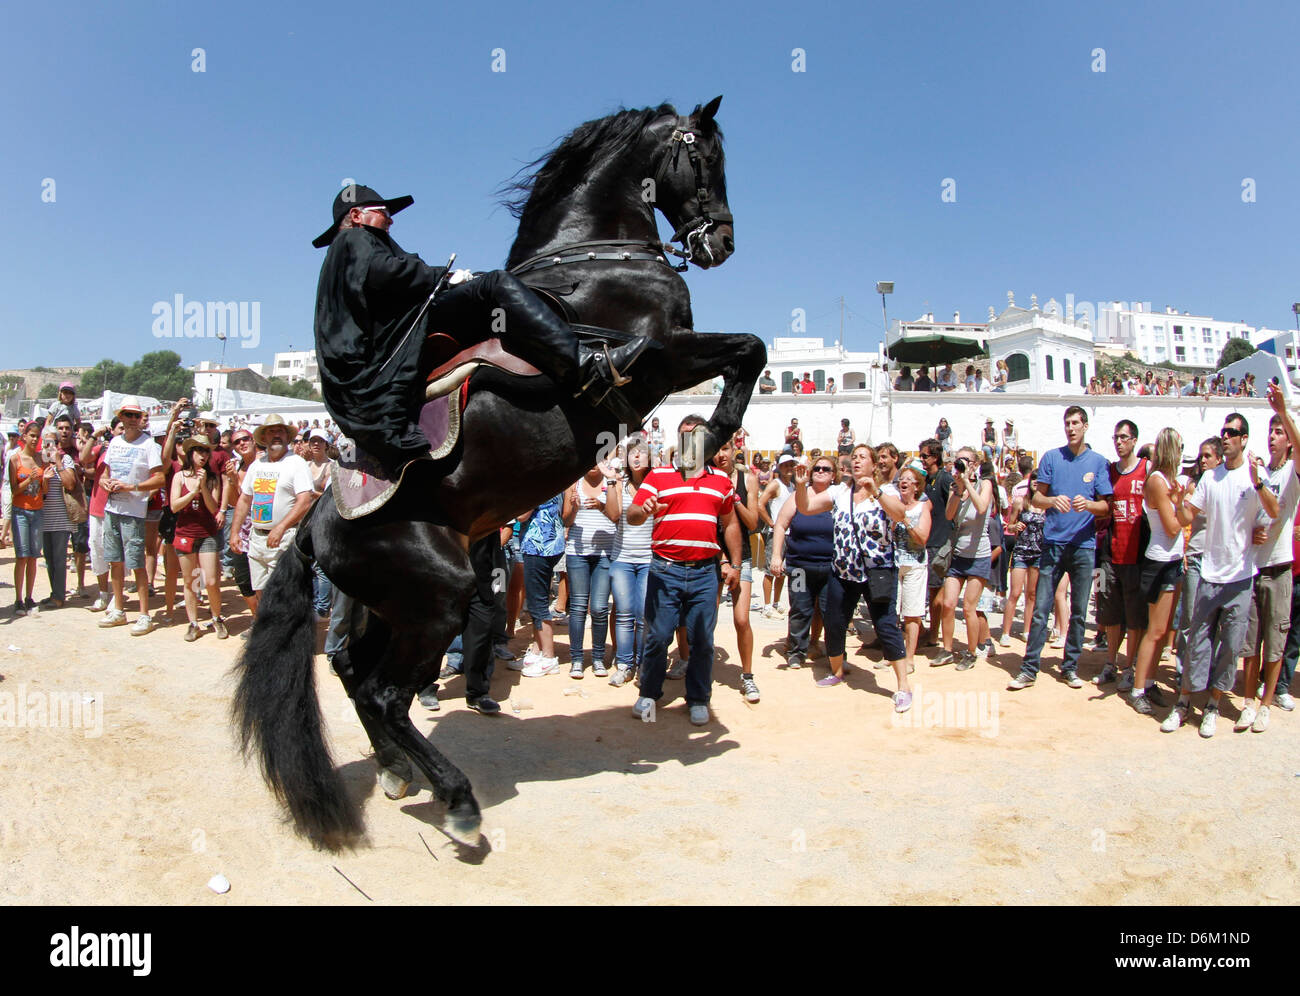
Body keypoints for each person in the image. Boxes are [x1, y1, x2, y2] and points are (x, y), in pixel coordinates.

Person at [311, 183, 651, 474]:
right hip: (400, 339)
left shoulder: (341, 259)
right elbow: (386, 274)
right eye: (382, 211)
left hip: (381, 354)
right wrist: (441, 277)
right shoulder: (354, 240)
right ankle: (584, 365)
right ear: (356, 216)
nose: (390, 218)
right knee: (495, 285)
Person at [1163, 411, 1279, 737]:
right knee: (1196, 642)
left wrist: (1259, 481)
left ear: (1244, 439)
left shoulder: (1255, 476)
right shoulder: (1210, 479)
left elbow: (1273, 511)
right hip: (1209, 575)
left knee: (1229, 647)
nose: (1225, 436)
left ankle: (1212, 705)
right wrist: (1175, 501)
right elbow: (1188, 515)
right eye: (1223, 431)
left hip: (1241, 578)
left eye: (1232, 432)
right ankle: (1184, 703)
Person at [627, 414, 742, 726]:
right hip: (665, 571)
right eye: (685, 435)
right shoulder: (658, 476)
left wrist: (735, 563)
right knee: (659, 635)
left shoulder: (721, 481)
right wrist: (643, 509)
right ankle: (649, 693)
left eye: (697, 435)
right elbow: (634, 515)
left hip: (706, 572)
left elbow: (730, 523)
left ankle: (698, 698)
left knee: (703, 639)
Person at [792, 445, 913, 712]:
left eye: (862, 458)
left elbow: (900, 515)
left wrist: (876, 491)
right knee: (834, 621)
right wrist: (801, 486)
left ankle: (903, 685)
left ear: (873, 465)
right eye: (854, 457)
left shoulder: (887, 492)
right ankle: (837, 671)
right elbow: (806, 507)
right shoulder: (840, 492)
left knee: (885, 625)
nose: (856, 461)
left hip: (877, 571)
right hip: (843, 570)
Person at [1009, 406, 1114, 690]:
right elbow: (1036, 498)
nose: (1071, 428)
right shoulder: (1052, 458)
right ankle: (1029, 667)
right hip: (1053, 543)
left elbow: (1106, 507)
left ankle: (1070, 667)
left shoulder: (1098, 462)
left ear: (1086, 426)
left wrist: (1088, 505)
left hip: (1083, 545)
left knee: (1079, 610)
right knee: (1041, 607)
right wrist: (1054, 501)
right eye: (1067, 423)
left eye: (1076, 423)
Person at [1235, 384, 1300, 732]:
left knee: (1275, 643)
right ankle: (1247, 701)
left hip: (1279, 569)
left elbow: (1276, 512)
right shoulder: (1260, 472)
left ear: (1288, 439)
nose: (1274, 437)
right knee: (1250, 644)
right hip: (1254, 568)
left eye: (1280, 432)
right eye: (1271, 430)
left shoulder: (1291, 473)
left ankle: (1265, 704)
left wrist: (1285, 411)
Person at [229, 415, 316, 608]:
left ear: (287, 436)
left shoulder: (296, 463)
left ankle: (286, 636)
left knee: (283, 594)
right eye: (271, 431)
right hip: (257, 539)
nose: (276, 435)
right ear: (264, 437)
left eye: (280, 431)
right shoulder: (257, 465)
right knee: (260, 593)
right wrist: (234, 532)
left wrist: (281, 527)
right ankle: (268, 635)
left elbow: (305, 501)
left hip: (284, 539)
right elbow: (244, 500)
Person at [1127, 429, 1185, 714]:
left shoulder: (1167, 482)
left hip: (1170, 561)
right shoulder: (1158, 482)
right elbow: (1174, 527)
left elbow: (1179, 521)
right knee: (1156, 631)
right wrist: (1187, 504)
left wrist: (1184, 503)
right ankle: (1138, 689)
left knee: (1163, 632)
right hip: (1160, 562)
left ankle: (1147, 683)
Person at [96, 398, 165, 635]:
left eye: (137, 416)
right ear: (122, 418)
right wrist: (106, 482)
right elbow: (106, 472)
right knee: (115, 560)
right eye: (129, 415)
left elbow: (159, 478)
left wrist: (131, 487)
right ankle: (118, 609)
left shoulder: (149, 445)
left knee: (136, 564)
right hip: (112, 509)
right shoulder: (114, 442)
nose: (134, 420)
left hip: (134, 512)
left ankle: (145, 614)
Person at [1094, 420, 1149, 688]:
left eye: (1124, 437)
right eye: (1116, 437)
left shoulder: (1146, 470)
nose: (1119, 442)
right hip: (1108, 554)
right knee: (1109, 613)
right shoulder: (1107, 472)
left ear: (1134, 440)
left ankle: (1130, 667)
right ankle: (1110, 663)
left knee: (1136, 616)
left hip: (1137, 555)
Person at [770, 456, 835, 669]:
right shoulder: (799, 495)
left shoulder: (838, 498)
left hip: (830, 568)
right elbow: (780, 524)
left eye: (826, 469)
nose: (820, 471)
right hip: (800, 567)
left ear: (833, 475)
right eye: (817, 468)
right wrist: (777, 556)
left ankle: (832, 653)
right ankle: (796, 651)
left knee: (830, 611)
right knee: (800, 608)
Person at [934, 448, 997, 669]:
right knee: (948, 603)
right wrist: (959, 488)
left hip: (979, 555)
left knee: (969, 607)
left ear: (975, 464)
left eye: (966, 460)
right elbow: (949, 515)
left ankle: (971, 652)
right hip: (959, 555)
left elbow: (981, 508)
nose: (961, 464)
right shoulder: (956, 488)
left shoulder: (985, 484)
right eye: (958, 460)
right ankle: (948, 649)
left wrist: (969, 482)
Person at [712, 439, 761, 702]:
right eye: (716, 450)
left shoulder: (747, 478)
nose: (721, 455)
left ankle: (747, 675)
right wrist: (721, 559)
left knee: (742, 619)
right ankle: (696, 669)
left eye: (726, 449)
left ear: (734, 451)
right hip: (712, 556)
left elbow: (753, 522)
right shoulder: (705, 476)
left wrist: (735, 497)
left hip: (741, 556)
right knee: (705, 620)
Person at [169, 433, 228, 641]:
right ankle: (193, 623)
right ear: (190, 453)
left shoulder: (212, 478)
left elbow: (213, 508)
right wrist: (191, 490)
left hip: (207, 534)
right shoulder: (179, 477)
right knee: (191, 581)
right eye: (199, 451)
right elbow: (174, 506)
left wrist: (202, 488)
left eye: (206, 451)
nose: (203, 455)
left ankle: (217, 617)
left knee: (211, 580)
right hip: (185, 534)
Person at [561, 463, 618, 679]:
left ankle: (597, 657)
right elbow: (566, 519)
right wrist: (575, 507)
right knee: (577, 606)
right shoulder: (573, 483)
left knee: (599, 608)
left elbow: (616, 516)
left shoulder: (611, 481)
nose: (595, 465)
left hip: (605, 553)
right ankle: (576, 659)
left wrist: (601, 506)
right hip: (577, 552)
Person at [608, 440, 654, 687]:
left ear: (650, 458)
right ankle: (625, 665)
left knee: (644, 615)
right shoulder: (620, 484)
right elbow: (614, 515)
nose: (636, 457)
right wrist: (611, 481)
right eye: (632, 454)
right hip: (622, 558)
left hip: (649, 559)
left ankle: (644, 664)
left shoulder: (656, 484)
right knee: (624, 614)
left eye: (641, 453)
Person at [515, 493, 566, 676]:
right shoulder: (556, 479)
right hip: (552, 542)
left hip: (537, 545)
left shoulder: (535, 482)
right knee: (540, 600)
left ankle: (549, 657)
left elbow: (521, 515)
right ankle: (536, 652)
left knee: (538, 604)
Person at [892, 464, 932, 678]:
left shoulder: (923, 507)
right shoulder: (893, 505)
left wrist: (905, 520)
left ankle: (909, 657)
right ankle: (893, 653)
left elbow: (923, 538)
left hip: (915, 565)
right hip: (894, 564)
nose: (903, 482)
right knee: (892, 612)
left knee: (912, 614)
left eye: (908, 479)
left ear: (917, 486)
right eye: (901, 479)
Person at [8, 422, 48, 614]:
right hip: (21, 511)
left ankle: (29, 596)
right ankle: (18, 598)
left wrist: (45, 479)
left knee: (33, 556)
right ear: (24, 436)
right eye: (31, 435)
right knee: (22, 556)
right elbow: (14, 490)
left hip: (38, 510)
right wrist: (29, 480)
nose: (34, 439)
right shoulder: (15, 460)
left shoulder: (41, 459)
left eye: (36, 436)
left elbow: (44, 490)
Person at [1001, 468, 1044, 645]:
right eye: (1033, 478)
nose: (1035, 481)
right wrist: (1015, 526)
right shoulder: (1020, 502)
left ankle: (1026, 630)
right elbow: (1008, 527)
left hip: (1038, 552)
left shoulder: (1045, 505)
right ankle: (1005, 632)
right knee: (1015, 592)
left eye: (1038, 479)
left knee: (1032, 594)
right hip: (1021, 550)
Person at [919, 438, 954, 649]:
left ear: (936, 457)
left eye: (925, 456)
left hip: (939, 542)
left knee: (936, 592)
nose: (922, 459)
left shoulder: (944, 478)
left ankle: (933, 635)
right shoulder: (927, 479)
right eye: (920, 455)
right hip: (926, 541)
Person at [38, 428, 77, 610]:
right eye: (46, 442)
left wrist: (59, 462)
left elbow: (70, 483)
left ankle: (59, 596)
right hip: (44, 518)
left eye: (52, 442)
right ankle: (55, 593)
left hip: (62, 519)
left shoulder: (66, 460)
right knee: (49, 559)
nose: (49, 446)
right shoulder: (40, 461)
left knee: (60, 559)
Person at [758, 453, 797, 616]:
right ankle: (767, 604)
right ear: (780, 468)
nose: (789, 468)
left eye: (791, 465)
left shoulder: (793, 486)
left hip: (790, 534)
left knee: (782, 571)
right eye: (786, 465)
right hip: (776, 534)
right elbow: (760, 504)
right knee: (770, 570)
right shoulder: (776, 484)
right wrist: (771, 523)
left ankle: (776, 601)